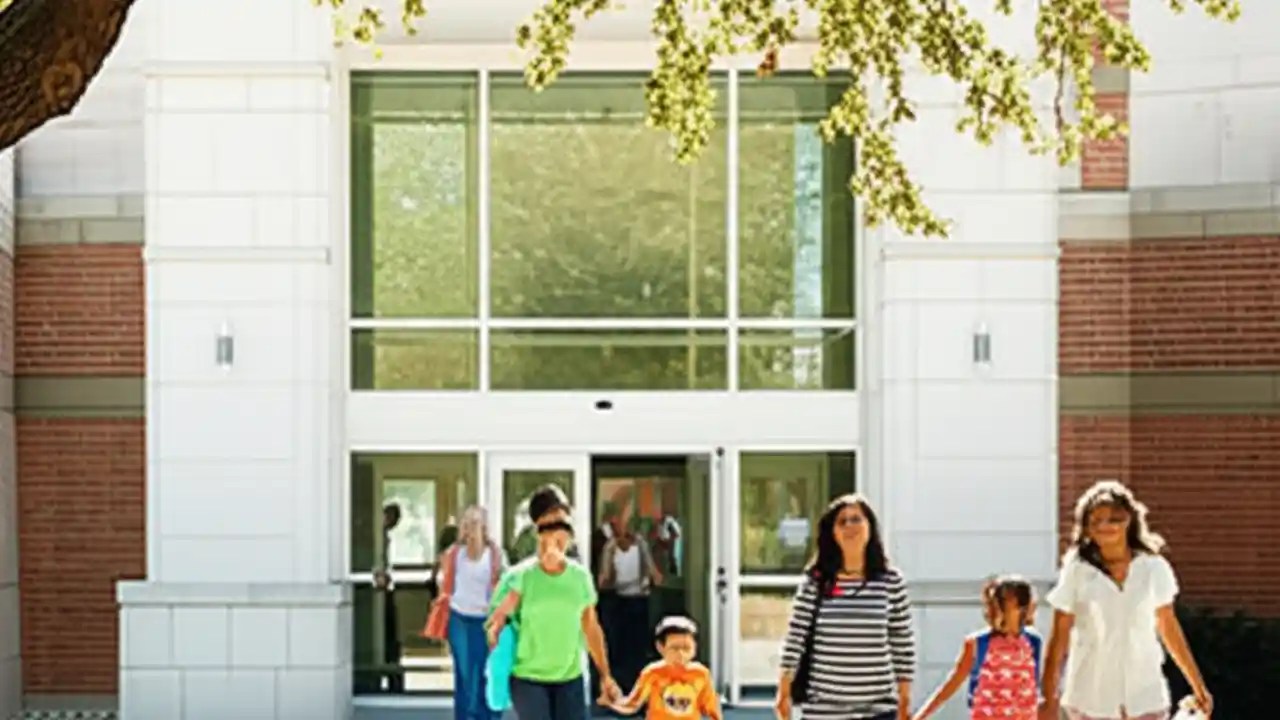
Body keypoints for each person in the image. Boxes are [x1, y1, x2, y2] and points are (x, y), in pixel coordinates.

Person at [1039, 481, 1212, 720]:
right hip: (1090, 697)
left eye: (1114, 519)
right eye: (1096, 520)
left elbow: (1168, 627)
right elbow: (1059, 635)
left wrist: (1197, 685)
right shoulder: (1077, 570)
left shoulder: (1153, 567)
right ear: (1086, 527)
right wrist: (1047, 697)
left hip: (1145, 695)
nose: (1105, 526)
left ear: (1129, 520)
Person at [775, 494, 915, 720]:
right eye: (842, 521)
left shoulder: (891, 581)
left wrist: (905, 696)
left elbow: (902, 643)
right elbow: (795, 637)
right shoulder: (817, 581)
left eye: (856, 519)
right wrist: (783, 692)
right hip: (824, 710)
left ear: (870, 527)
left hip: (878, 709)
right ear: (833, 533)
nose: (850, 526)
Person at [487, 484, 622, 719]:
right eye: (550, 525)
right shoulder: (518, 578)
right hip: (528, 677)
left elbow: (591, 627)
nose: (558, 535)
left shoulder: (580, 578)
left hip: (570, 679)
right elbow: (494, 629)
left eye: (564, 525)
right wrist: (499, 623)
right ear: (537, 530)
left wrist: (605, 675)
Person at [911, 576, 1042, 720]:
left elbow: (1034, 688)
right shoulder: (978, 643)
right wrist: (921, 715)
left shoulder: (1033, 642)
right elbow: (952, 683)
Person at [438, 506, 505, 720]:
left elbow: (505, 586)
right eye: (465, 523)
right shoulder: (454, 554)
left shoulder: (495, 555)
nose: (469, 528)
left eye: (474, 523)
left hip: (486, 621)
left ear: (484, 527)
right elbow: (443, 583)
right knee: (465, 676)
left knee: (487, 675)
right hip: (460, 619)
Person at [608, 616, 722, 720]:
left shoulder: (701, 674)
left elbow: (711, 709)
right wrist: (613, 701)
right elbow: (633, 704)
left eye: (686, 648)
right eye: (674, 648)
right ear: (660, 647)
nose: (681, 654)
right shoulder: (652, 673)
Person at [598, 525, 665, 696]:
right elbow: (604, 581)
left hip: (638, 600)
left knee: (637, 648)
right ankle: (619, 690)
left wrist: (651, 576)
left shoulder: (641, 545)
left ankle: (638, 690)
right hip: (617, 602)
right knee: (618, 648)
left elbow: (656, 576)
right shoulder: (610, 548)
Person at [374, 502, 404, 693]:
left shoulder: (383, 537)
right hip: (379, 594)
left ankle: (395, 681)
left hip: (385, 592)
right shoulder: (375, 537)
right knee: (387, 635)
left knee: (391, 635)